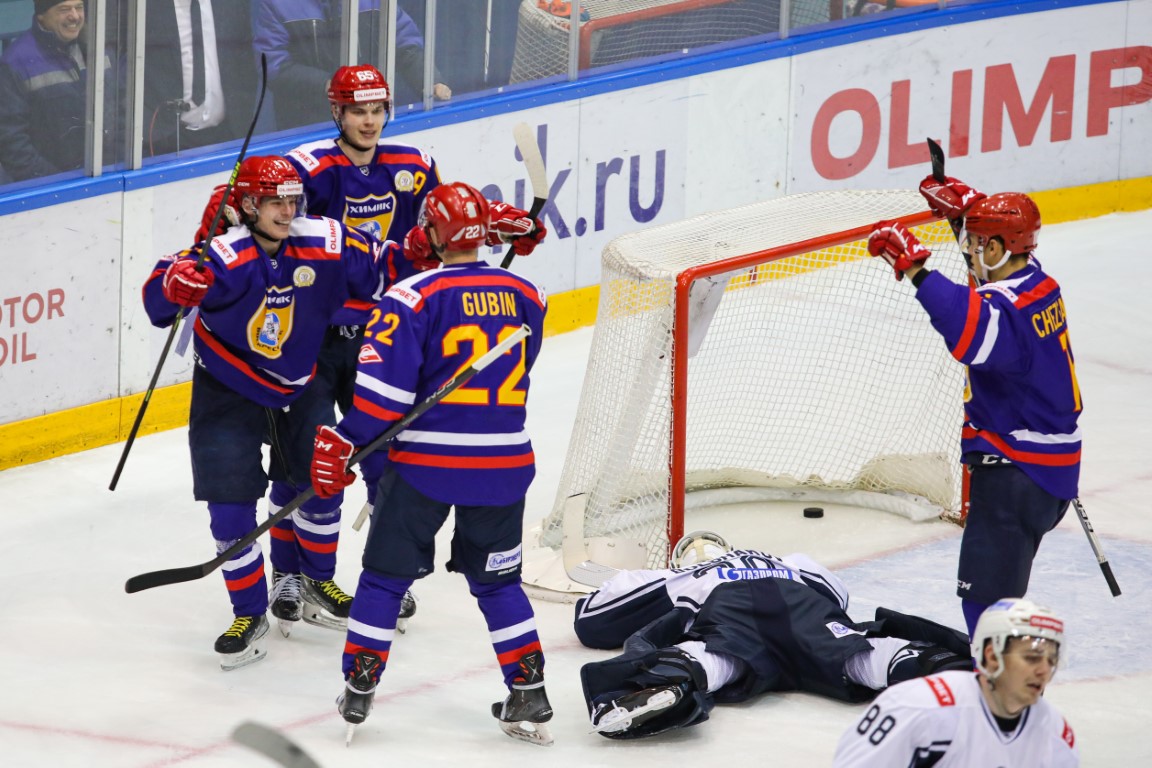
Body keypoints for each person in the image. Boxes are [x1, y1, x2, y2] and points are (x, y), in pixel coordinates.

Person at [262, 63, 544, 638]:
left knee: (387, 456)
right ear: (336, 112)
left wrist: (497, 226)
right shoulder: (307, 169)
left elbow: (444, 230)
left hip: (384, 335)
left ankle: (387, 571)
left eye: (377, 110)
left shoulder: (413, 165)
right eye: (357, 110)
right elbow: (287, 239)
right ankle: (296, 575)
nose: (369, 120)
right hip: (311, 337)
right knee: (305, 460)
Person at [306, 181, 553, 746]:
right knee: (498, 584)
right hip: (503, 464)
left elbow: (383, 402)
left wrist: (346, 440)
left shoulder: (410, 297)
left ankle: (361, 685)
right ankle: (530, 688)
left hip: (425, 466)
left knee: (385, 577)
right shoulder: (529, 294)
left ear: (433, 235)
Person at [142, 155, 403, 671]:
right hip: (226, 390)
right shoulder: (220, 254)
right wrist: (174, 287)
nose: (287, 211)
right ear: (247, 205)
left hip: (300, 383)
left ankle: (314, 580)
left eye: (292, 200)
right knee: (230, 504)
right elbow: (158, 302)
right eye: (274, 202)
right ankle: (249, 613)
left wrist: (457, 235)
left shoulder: (324, 239)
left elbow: (391, 262)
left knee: (318, 484)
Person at [867, 179, 1082, 639]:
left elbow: (968, 329)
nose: (970, 250)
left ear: (1004, 247)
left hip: (1016, 473)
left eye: (979, 243)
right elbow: (985, 290)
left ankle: (995, 691)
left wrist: (916, 268)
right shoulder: (1039, 283)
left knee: (988, 603)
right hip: (1048, 473)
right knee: (992, 598)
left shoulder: (1007, 313)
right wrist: (963, 215)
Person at [575, 531, 973, 739]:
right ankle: (930, 663)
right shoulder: (788, 563)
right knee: (857, 651)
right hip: (800, 605)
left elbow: (593, 620)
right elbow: (837, 596)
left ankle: (672, 682)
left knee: (713, 657)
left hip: (732, 612)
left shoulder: (681, 575)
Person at [833, 597, 1079, 766]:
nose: (1044, 670)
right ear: (992, 657)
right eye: (1031, 657)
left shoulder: (1054, 733)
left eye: (1051, 658)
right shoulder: (916, 708)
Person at [252, 0, 451, 130]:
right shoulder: (278, 4)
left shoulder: (375, 2)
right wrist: (328, 84)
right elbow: (273, 66)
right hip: (308, 126)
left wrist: (429, 81)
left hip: (367, 120)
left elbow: (405, 45)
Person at [0, 0, 120, 181]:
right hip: (52, 191)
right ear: (41, 15)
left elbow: (123, 106)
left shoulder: (100, 47)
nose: (75, 16)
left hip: (108, 176)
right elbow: (12, 143)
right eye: (64, 9)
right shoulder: (14, 63)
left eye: (79, 7)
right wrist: (60, 185)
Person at [141, 0, 259, 157]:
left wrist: (240, 115)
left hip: (228, 135)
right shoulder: (145, 7)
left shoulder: (232, 4)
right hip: (162, 140)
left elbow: (245, 64)